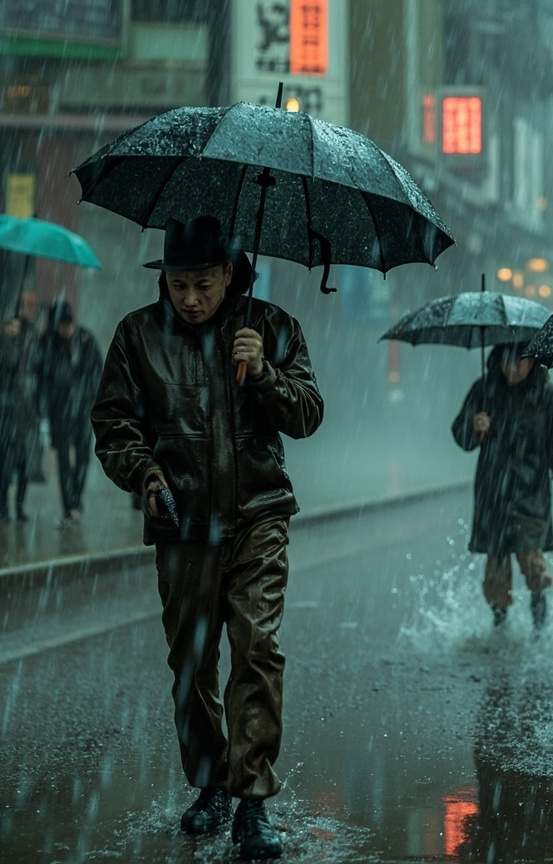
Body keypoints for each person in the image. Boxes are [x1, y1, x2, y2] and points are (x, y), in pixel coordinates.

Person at [91, 215, 324, 858]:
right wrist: (146, 474)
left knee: (257, 649)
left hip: (259, 516)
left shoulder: (270, 326)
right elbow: (113, 425)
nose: (190, 299)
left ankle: (252, 800)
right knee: (192, 662)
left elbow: (308, 414)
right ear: (163, 278)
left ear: (229, 272)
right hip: (182, 523)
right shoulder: (137, 336)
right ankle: (211, 783)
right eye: (178, 284)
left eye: (203, 284)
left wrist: (265, 373)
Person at [451, 343, 553, 629]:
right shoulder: (484, 389)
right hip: (493, 490)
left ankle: (539, 621)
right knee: (496, 566)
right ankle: (500, 623)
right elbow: (461, 436)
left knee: (532, 561)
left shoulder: (547, 395)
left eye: (519, 362)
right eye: (506, 362)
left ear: (533, 361)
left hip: (531, 490)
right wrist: (474, 426)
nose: (512, 369)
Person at [39, 299, 103, 523]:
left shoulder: (86, 339)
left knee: (83, 455)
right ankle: (69, 504)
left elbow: (98, 372)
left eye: (67, 326)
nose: (65, 331)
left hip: (84, 408)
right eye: (61, 326)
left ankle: (76, 497)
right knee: (64, 458)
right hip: (60, 410)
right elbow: (42, 377)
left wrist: (92, 397)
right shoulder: (49, 343)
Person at [0, 293, 40, 522]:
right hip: (7, 412)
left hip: (26, 412)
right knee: (6, 463)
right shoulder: (7, 341)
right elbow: (9, 364)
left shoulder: (32, 337)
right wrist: (9, 341)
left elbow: (37, 370)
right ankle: (4, 507)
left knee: (25, 463)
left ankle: (19, 506)